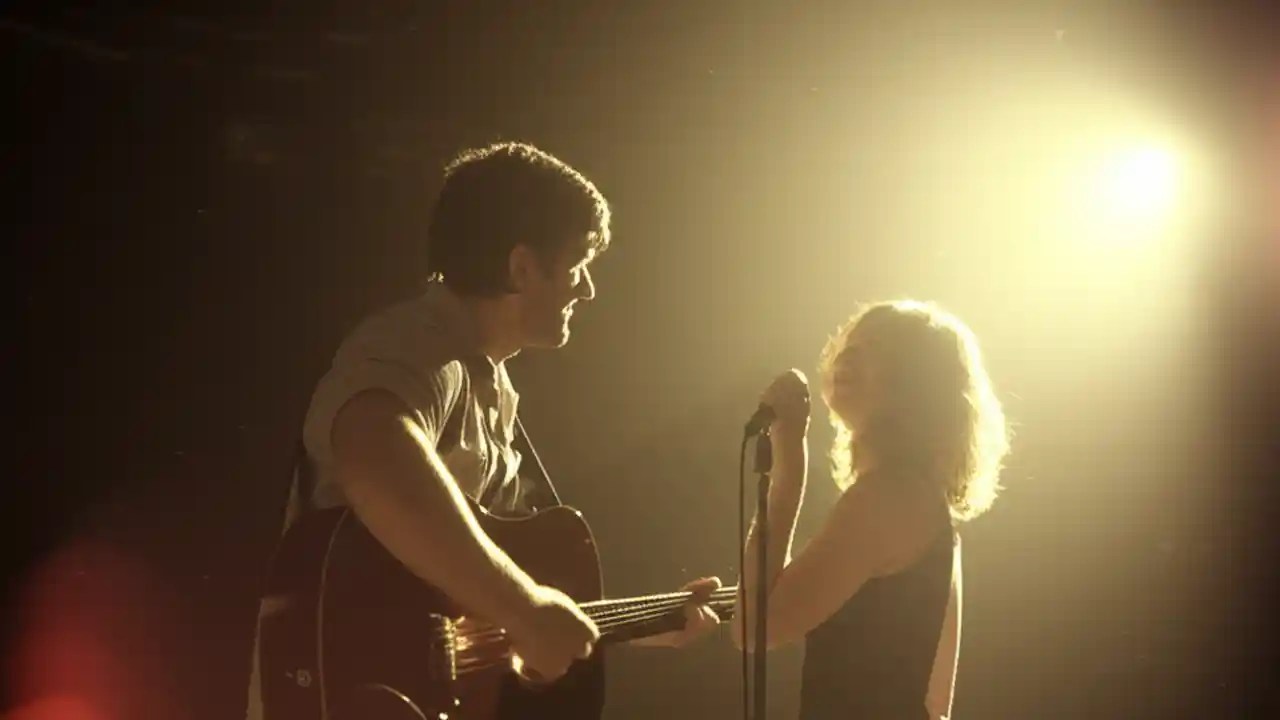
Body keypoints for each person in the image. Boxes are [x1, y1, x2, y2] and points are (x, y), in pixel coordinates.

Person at [244, 142, 720, 719]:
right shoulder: (418, 346)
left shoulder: (487, 386)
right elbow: (372, 449)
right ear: (522, 267)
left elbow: (493, 593)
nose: (587, 288)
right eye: (578, 263)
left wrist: (638, 625)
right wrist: (522, 606)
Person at [732, 300, 1010, 720]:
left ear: (917, 385)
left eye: (876, 349)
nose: (848, 355)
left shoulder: (883, 498)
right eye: (850, 344)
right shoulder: (924, 503)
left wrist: (788, 466)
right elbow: (936, 705)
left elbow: (755, 629)